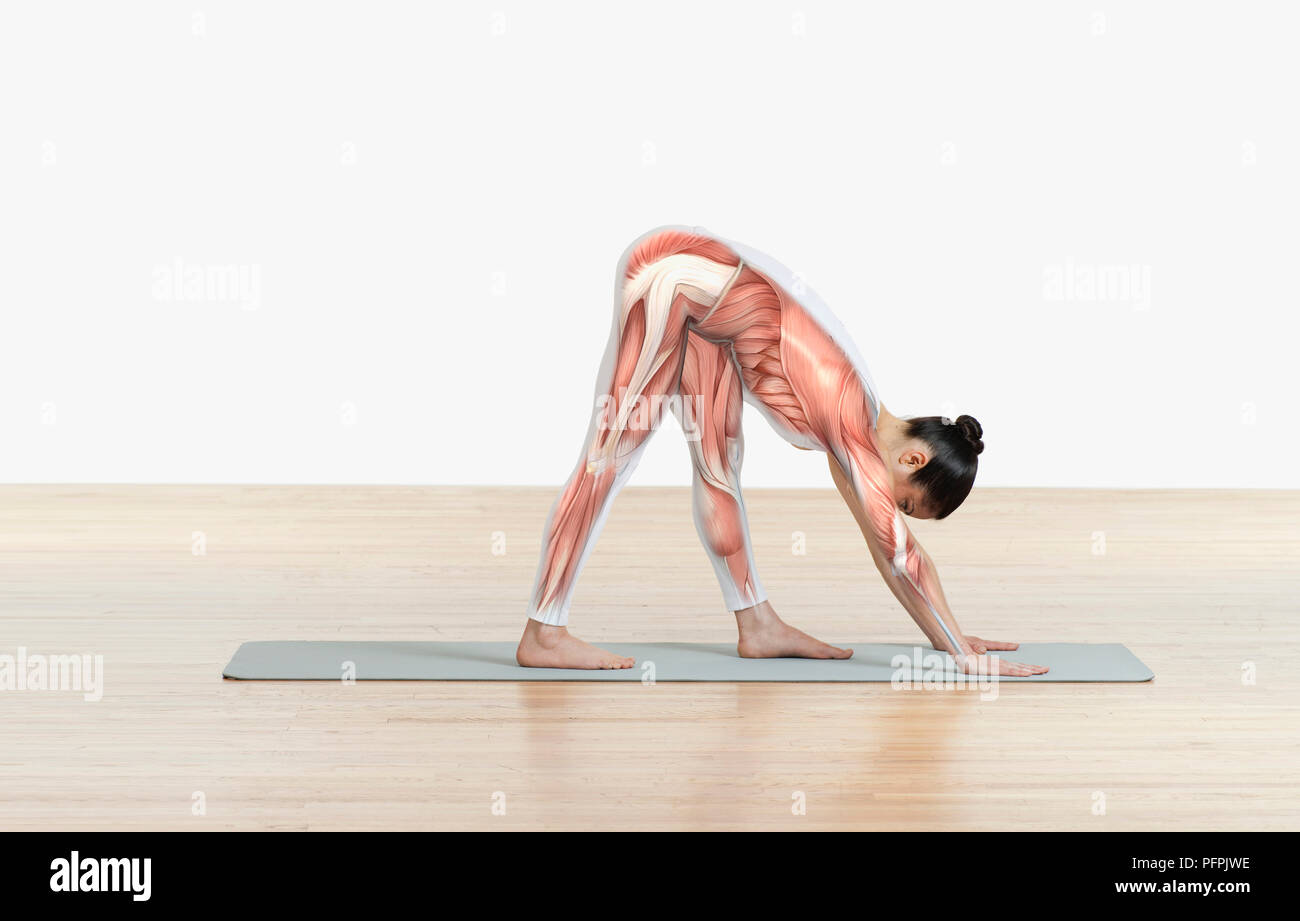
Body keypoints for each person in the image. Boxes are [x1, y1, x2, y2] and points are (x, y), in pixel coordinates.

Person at [518, 226, 1048, 677]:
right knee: (611, 453)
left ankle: (757, 625)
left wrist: (946, 637)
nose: (895, 509)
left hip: (709, 317)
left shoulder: (854, 435)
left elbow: (882, 547)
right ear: (913, 460)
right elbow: (901, 554)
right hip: (673, 273)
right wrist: (962, 656)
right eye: (907, 502)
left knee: (718, 466)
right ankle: (543, 633)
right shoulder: (851, 419)